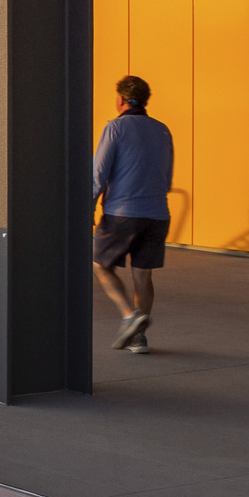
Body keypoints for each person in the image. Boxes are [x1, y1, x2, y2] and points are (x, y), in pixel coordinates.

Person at [93, 74, 174, 353]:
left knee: (101, 265)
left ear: (120, 99)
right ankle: (139, 339)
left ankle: (131, 316)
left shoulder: (115, 128)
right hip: (158, 214)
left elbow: (99, 173)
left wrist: (88, 206)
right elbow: (167, 178)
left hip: (122, 213)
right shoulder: (163, 130)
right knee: (143, 276)